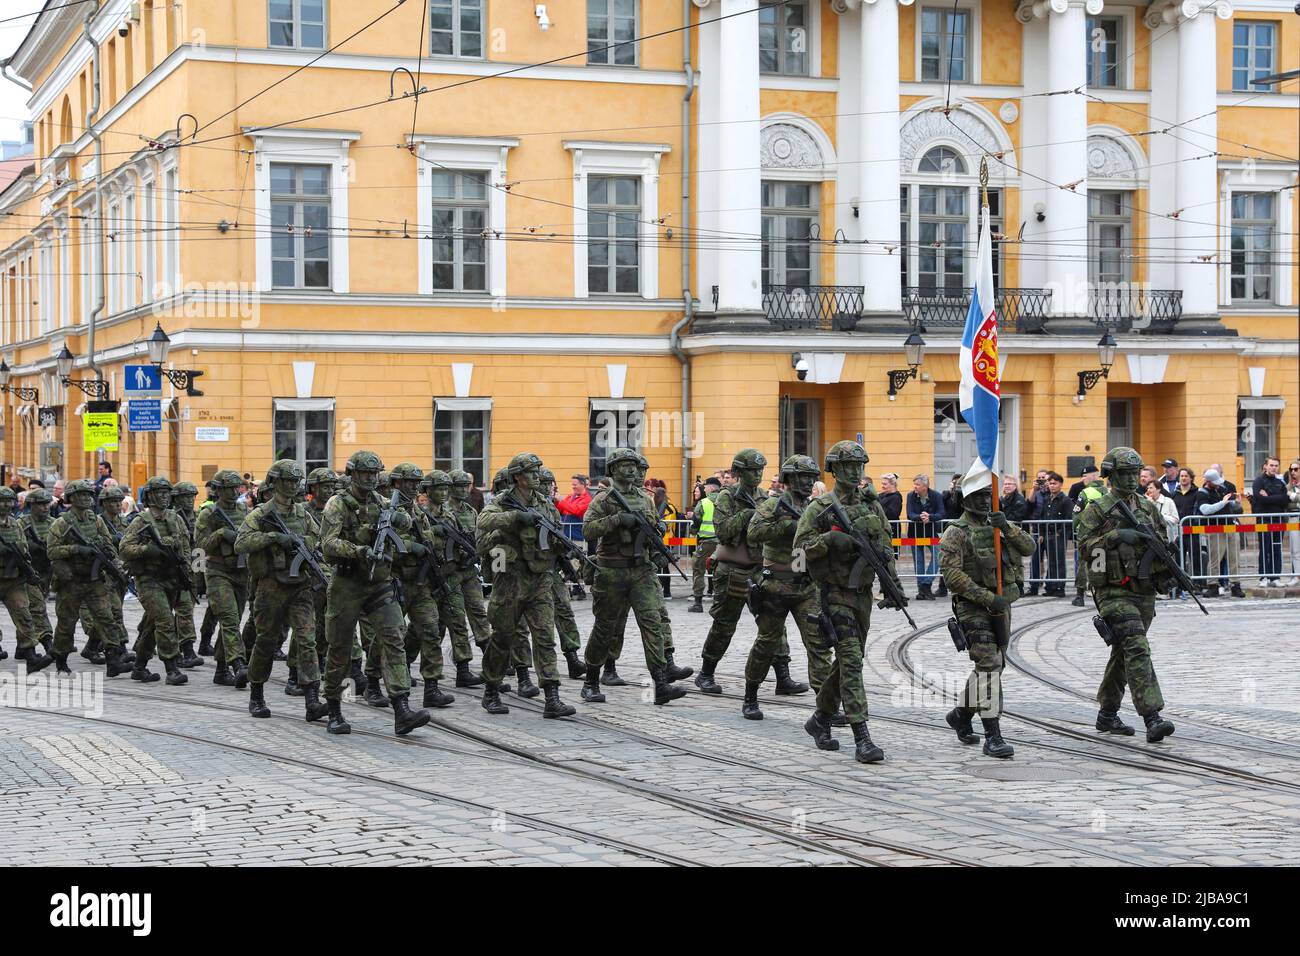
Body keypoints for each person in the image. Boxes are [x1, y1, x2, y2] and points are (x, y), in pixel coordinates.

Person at [795, 440, 905, 764]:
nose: (855, 471)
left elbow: (886, 549)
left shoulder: (873, 507)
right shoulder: (820, 508)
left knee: (845, 662)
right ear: (835, 470)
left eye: (859, 465)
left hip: (862, 595)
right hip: (833, 594)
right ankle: (862, 736)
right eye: (848, 466)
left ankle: (819, 719)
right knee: (852, 661)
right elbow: (798, 555)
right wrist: (829, 541)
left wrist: (892, 585)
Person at [320, 451, 429, 735]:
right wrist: (358, 551)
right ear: (352, 474)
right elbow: (329, 544)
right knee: (340, 648)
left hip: (380, 583)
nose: (370, 478)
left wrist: (396, 517)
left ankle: (401, 708)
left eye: (374, 473)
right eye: (364, 473)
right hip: (347, 583)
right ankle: (333, 707)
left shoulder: (384, 503)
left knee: (395, 638)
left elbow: (406, 523)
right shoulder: (338, 504)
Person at [1076, 447, 1176, 743]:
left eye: (1135, 473)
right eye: (1125, 474)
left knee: (1124, 651)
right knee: (1137, 646)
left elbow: (1161, 545)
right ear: (1111, 475)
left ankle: (1107, 714)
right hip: (1112, 591)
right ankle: (1152, 716)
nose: (1132, 479)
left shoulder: (1147, 508)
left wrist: (1166, 571)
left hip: (1143, 591)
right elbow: (1085, 549)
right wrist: (1115, 536)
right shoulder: (1098, 509)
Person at [578, 447, 687, 707]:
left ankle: (660, 684)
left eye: (634, 465)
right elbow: (588, 530)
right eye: (625, 464)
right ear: (613, 469)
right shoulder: (604, 499)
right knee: (605, 628)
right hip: (612, 571)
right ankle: (591, 681)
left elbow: (652, 528)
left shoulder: (644, 498)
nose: (631, 469)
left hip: (641, 571)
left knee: (653, 625)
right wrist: (617, 519)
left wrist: (658, 534)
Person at [940, 476, 1036, 759]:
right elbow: (952, 576)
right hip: (973, 607)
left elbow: (1028, 547)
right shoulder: (956, 532)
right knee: (990, 664)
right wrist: (986, 597)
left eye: (988, 496)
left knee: (992, 667)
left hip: (1002, 605)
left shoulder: (1000, 526)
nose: (984, 501)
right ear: (965, 499)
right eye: (978, 497)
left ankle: (961, 714)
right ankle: (992, 735)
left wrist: (1005, 526)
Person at [476, 453, 576, 719]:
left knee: (545, 637)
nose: (536, 476)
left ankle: (552, 696)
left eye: (537, 472)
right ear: (518, 476)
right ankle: (491, 690)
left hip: (540, 579)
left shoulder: (544, 503)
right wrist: (515, 518)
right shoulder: (500, 502)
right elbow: (483, 523)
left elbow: (555, 529)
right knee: (503, 639)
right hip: (510, 581)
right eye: (531, 472)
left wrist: (560, 544)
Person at [235, 460, 334, 724]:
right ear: (275, 482)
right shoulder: (260, 515)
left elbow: (319, 540)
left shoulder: (303, 514)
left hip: (300, 587)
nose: (291, 486)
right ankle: (256, 694)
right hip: (270, 588)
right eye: (287, 481)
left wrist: (306, 545)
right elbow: (241, 543)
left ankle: (312, 699)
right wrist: (274, 538)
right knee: (266, 641)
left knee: (307, 639)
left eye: (295, 481)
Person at [697, 449, 803, 695]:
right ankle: (706, 673)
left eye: (759, 470)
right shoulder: (726, 498)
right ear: (738, 473)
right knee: (725, 624)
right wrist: (749, 514)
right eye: (751, 471)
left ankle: (783, 677)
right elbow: (723, 533)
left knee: (773, 623)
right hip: (733, 569)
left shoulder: (767, 497)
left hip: (761, 568)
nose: (756, 475)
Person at [740, 455, 831, 719]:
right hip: (775, 585)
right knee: (766, 643)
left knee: (818, 644)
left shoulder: (815, 508)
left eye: (811, 478)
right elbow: (753, 534)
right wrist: (786, 526)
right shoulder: (772, 505)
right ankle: (750, 696)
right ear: (789, 479)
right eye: (802, 477)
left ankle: (825, 705)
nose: (807, 482)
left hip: (806, 586)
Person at [46, 480, 134, 676]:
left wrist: (116, 566)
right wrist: (77, 549)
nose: (86, 498)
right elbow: (52, 551)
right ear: (71, 498)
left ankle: (113, 662)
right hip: (71, 581)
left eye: (88, 495)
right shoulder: (62, 523)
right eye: (81, 495)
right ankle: (61, 661)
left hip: (94, 580)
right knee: (67, 623)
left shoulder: (96, 520)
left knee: (107, 619)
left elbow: (108, 546)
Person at [118, 477, 195, 685]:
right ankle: (172, 667)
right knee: (165, 621)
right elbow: (124, 549)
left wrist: (186, 570)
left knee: (153, 624)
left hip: (172, 578)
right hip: (149, 580)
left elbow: (186, 547)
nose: (164, 496)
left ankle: (140, 666)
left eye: (166, 492)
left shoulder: (176, 519)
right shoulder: (141, 521)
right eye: (159, 493)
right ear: (150, 496)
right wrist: (147, 550)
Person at [0, 486, 52, 672]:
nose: (5, 505)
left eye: (8, 501)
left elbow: (23, 549)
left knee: (24, 614)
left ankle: (29, 653)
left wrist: (28, 568)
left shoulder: (14, 524)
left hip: (14, 579)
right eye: (2, 501)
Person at [18, 486, 56, 665]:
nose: (45, 507)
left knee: (29, 608)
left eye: (46, 504)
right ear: (31, 505)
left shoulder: (54, 523)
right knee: (37, 607)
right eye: (40, 504)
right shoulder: (22, 524)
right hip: (27, 573)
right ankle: (49, 644)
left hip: (47, 572)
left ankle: (21, 646)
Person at [1194, 469, 1244, 598]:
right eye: (1215, 482)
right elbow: (1205, 510)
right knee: (1214, 559)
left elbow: (1234, 509)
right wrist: (1223, 502)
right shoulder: (1202, 493)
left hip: (1230, 526)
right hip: (1215, 529)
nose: (1218, 484)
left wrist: (1236, 503)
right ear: (1208, 481)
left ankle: (1235, 585)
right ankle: (1213, 585)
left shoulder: (1222, 489)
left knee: (1234, 558)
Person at [1070, 467, 1106, 606]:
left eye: (1085, 476)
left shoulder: (1085, 492)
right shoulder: (1108, 493)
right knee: (1099, 562)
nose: (1083, 479)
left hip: (1086, 534)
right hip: (1103, 533)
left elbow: (1077, 514)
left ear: (1091, 477)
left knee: (1083, 563)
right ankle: (1100, 594)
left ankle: (1080, 596)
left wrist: (1073, 528)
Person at [1250, 457, 1288, 587]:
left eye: (1276, 465)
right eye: (1271, 465)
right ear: (1265, 466)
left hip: (1278, 520)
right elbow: (1260, 499)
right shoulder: (1258, 482)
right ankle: (1263, 577)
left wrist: (1270, 497)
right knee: (1265, 548)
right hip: (1264, 520)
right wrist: (1276, 499)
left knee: (1276, 548)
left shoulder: (1280, 483)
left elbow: (1285, 499)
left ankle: (1275, 577)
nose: (1274, 468)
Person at [906, 474, 944, 600]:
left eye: (917, 484)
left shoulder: (936, 496)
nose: (914, 487)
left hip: (931, 532)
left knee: (939, 555)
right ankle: (922, 590)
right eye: (914, 484)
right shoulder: (910, 496)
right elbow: (910, 514)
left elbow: (941, 513)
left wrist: (930, 517)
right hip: (915, 533)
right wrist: (921, 518)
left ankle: (926, 584)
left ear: (925, 486)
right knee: (919, 561)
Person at [688, 476, 720, 612]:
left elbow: (695, 525)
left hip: (707, 543)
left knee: (698, 569)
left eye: (705, 486)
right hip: (723, 544)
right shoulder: (727, 501)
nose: (704, 489)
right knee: (722, 571)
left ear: (711, 488)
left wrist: (693, 531)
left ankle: (698, 602)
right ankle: (720, 602)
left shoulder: (704, 503)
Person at [1038, 472, 1072, 597]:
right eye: (1050, 483)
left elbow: (1069, 519)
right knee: (1051, 561)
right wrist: (1041, 533)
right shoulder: (1047, 499)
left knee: (1059, 562)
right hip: (1048, 534)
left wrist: (1060, 533)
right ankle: (1050, 586)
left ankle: (1059, 587)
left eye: (1055, 483)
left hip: (1059, 535)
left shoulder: (1066, 500)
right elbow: (1042, 517)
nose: (1052, 486)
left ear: (1061, 484)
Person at [1169, 467, 1202, 585]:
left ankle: (1198, 583)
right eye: (1181, 476)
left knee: (1195, 557)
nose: (1183, 478)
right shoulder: (1174, 494)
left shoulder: (1197, 493)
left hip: (1193, 531)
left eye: (1186, 476)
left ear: (1191, 478)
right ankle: (1180, 584)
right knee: (1178, 559)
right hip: (1178, 532)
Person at [1025, 470, 1050, 595]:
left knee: (1052, 559)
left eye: (1043, 478)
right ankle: (1034, 586)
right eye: (1039, 478)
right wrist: (1033, 490)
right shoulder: (1036, 492)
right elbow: (1029, 506)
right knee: (1035, 559)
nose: (1041, 481)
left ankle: (1051, 586)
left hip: (1050, 530)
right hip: (1036, 529)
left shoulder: (1052, 491)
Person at [1285, 460, 1300, 586]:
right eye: (1291, 469)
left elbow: (1294, 500)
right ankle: (1297, 576)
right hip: (1294, 518)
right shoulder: (1288, 486)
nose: (1293, 472)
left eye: (1296, 469)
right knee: (1295, 549)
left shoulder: (1290, 490)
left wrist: (1293, 496)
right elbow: (1287, 504)